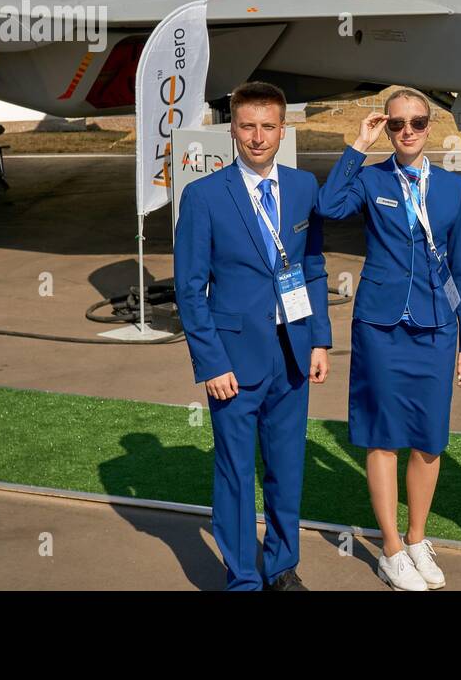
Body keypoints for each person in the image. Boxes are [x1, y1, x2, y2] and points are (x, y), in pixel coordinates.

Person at [318, 89, 461, 590]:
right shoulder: (371, 178)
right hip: (381, 327)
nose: (407, 131)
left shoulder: (452, 189)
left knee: (429, 441)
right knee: (383, 436)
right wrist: (357, 147)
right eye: (396, 124)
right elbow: (327, 207)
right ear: (385, 126)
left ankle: (416, 537)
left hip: (436, 328)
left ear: (429, 126)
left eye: (416, 122)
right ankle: (390, 547)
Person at [173, 81, 332, 591]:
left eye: (268, 127)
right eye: (247, 127)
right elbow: (190, 289)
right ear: (232, 130)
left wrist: (320, 340)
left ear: (283, 129)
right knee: (237, 476)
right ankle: (242, 576)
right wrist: (211, 363)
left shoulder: (305, 187)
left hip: (293, 355)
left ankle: (282, 567)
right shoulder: (203, 196)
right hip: (234, 363)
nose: (258, 137)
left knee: (287, 472)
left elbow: (312, 268)